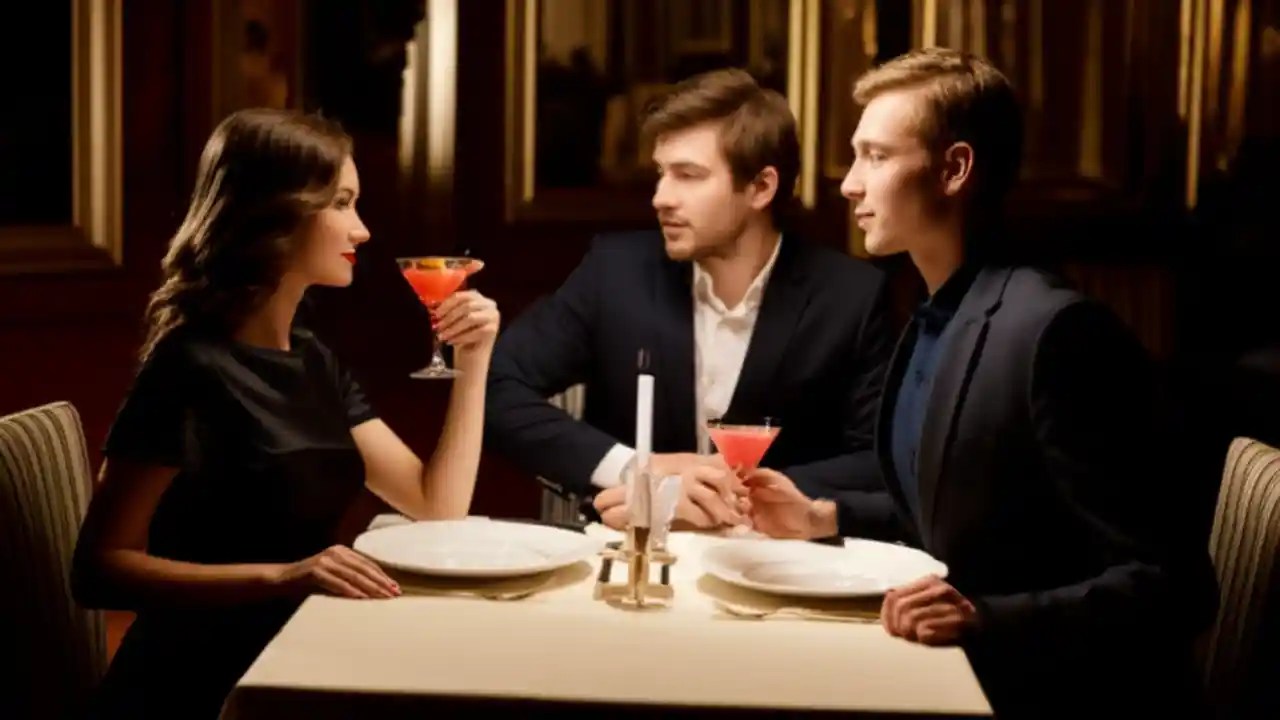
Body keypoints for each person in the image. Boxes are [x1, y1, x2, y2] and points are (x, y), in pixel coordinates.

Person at [743, 49, 1217, 716]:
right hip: (950, 677)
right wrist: (823, 517)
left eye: (875, 157)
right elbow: (966, 508)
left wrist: (985, 619)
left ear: (955, 169)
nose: (849, 183)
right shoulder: (933, 310)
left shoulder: (1058, 334)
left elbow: (1174, 586)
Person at [71, 108, 500, 718]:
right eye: (343, 203)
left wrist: (475, 359)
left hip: (299, 649)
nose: (363, 230)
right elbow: (98, 571)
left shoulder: (311, 357)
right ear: (278, 211)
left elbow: (436, 505)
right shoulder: (189, 366)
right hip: (195, 686)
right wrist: (281, 577)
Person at [485, 68, 892, 531]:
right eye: (661, 173)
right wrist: (640, 470)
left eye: (688, 176)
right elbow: (496, 388)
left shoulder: (851, 295)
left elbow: (880, 459)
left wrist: (738, 495)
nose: (661, 197)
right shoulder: (614, 273)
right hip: (628, 558)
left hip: (779, 568)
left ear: (761, 187)